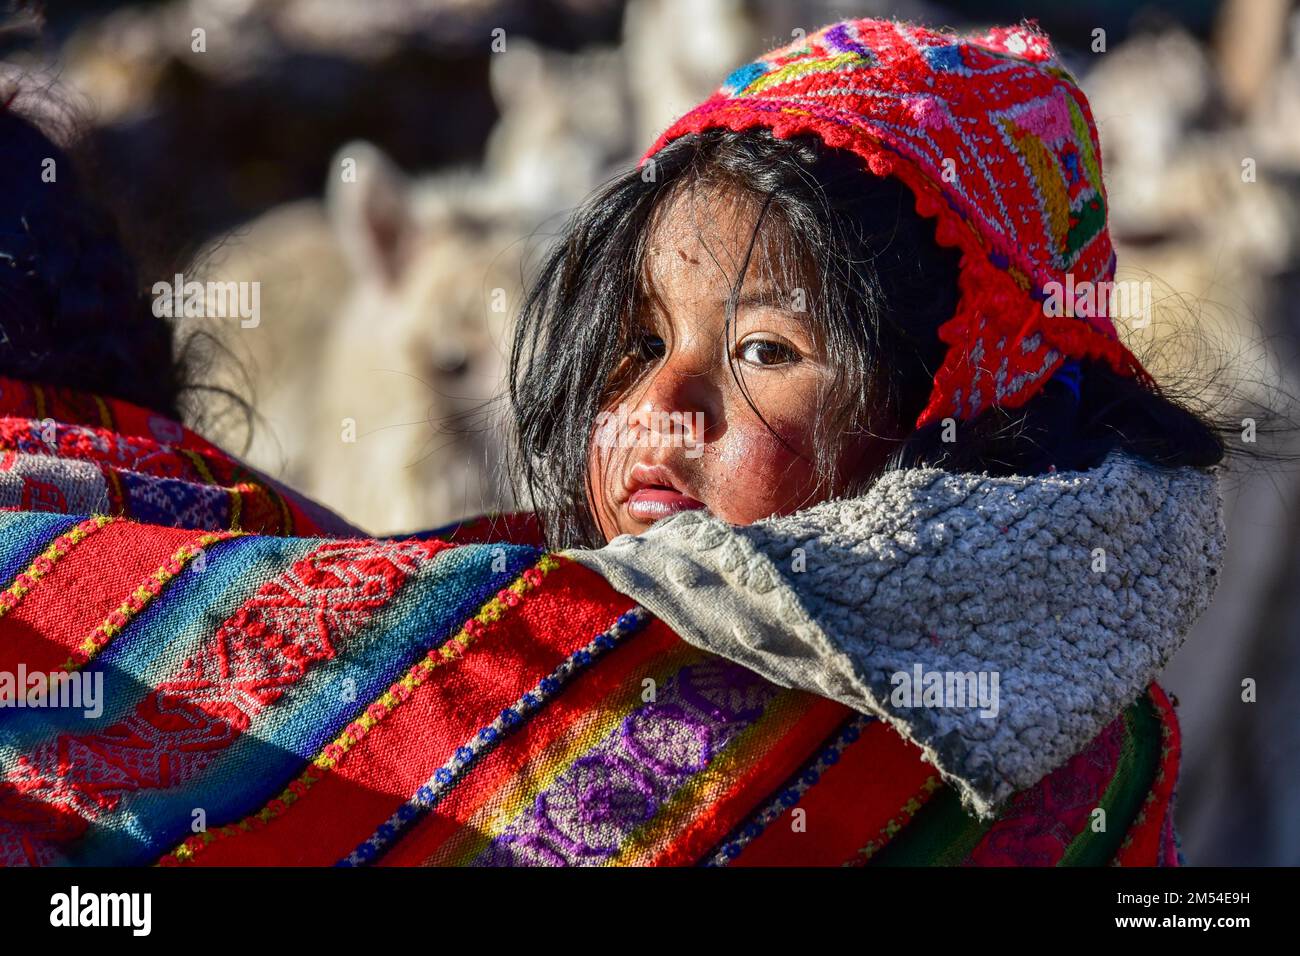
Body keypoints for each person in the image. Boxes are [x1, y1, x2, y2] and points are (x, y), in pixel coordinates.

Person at [0, 19, 1231, 866]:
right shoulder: (1091, 720)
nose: (657, 406)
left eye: (763, 353)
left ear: (951, 413)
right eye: (636, 343)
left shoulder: (970, 733)